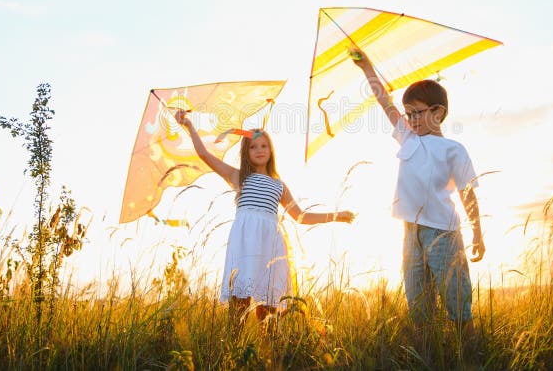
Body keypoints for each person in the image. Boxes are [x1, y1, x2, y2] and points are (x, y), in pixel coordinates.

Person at [174, 110, 355, 329]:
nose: (259, 150)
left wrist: (336, 216)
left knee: (268, 307)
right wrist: (189, 126)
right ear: (246, 152)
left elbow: (301, 216)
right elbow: (205, 155)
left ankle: (270, 354)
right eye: (253, 146)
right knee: (239, 303)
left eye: (264, 145)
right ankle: (234, 352)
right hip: (244, 244)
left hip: (270, 246)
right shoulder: (239, 177)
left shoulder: (279, 185)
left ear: (271, 150)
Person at [351, 49, 485, 335]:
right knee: (418, 301)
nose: (410, 119)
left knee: (456, 295)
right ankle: (428, 352)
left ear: (438, 112)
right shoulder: (407, 137)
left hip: (443, 231)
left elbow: (467, 193)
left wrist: (478, 233)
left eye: (418, 113)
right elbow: (383, 101)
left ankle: (469, 351)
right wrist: (367, 68)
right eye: (408, 113)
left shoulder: (453, 149)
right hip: (410, 231)